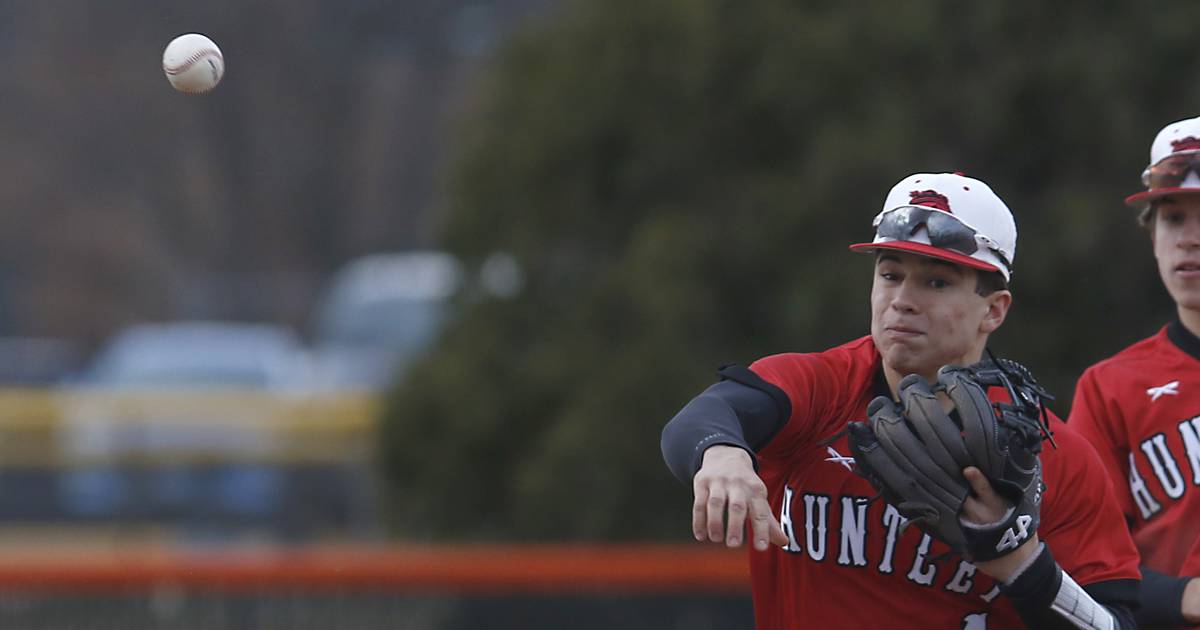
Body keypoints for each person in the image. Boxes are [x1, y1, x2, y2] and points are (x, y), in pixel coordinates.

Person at [661, 172, 1141, 629]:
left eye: (937, 282)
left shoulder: (1055, 456)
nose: (903, 300)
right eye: (890, 275)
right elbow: (707, 415)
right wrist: (721, 451)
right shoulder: (823, 390)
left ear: (993, 310)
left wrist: (1021, 562)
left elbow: (1117, 621)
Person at [1069, 115, 1200, 628]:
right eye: (1172, 217)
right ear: (1152, 237)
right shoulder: (1110, 388)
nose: (1189, 239)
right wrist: (1186, 596)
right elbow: (1083, 563)